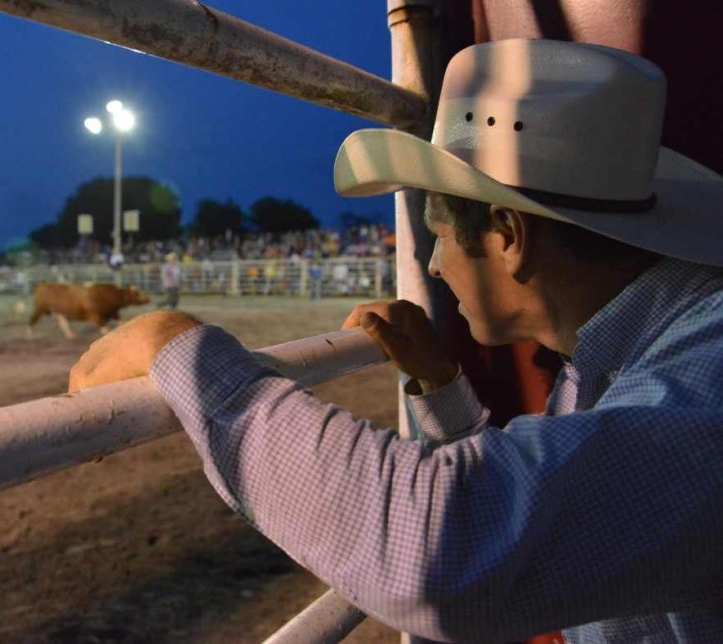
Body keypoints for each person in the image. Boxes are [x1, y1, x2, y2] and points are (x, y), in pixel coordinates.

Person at [68, 40, 723, 642]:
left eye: (440, 232)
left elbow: (451, 548)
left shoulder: (702, 384)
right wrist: (443, 392)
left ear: (506, 234)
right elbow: (561, 516)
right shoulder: (624, 359)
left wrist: (179, 349)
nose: (434, 264)